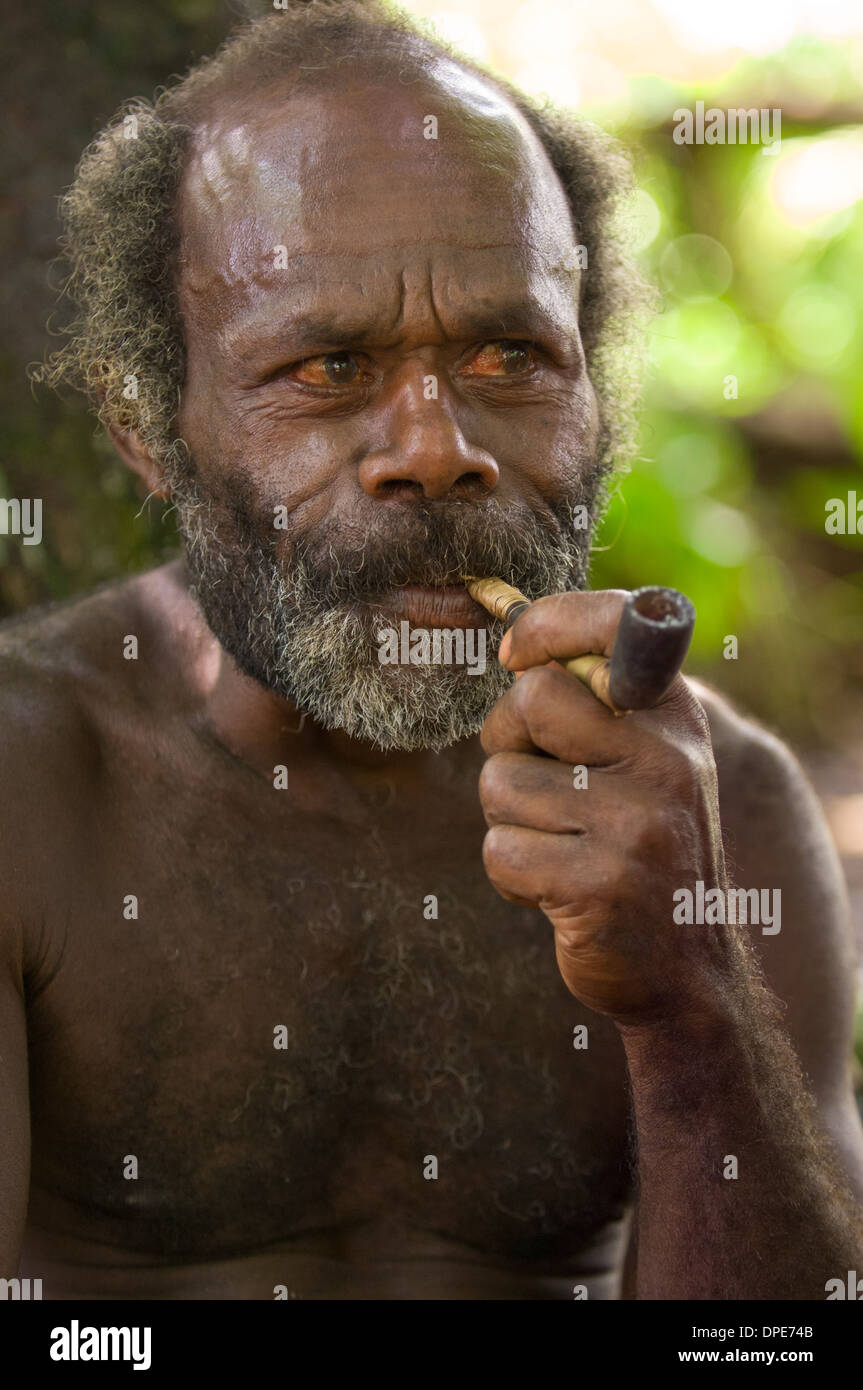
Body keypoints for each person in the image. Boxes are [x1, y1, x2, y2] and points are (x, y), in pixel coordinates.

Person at [2, 0, 862, 1299]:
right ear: (147, 426)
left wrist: (691, 1001)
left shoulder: (718, 812)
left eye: (512, 354)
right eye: (327, 366)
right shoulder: (27, 785)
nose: (435, 447)